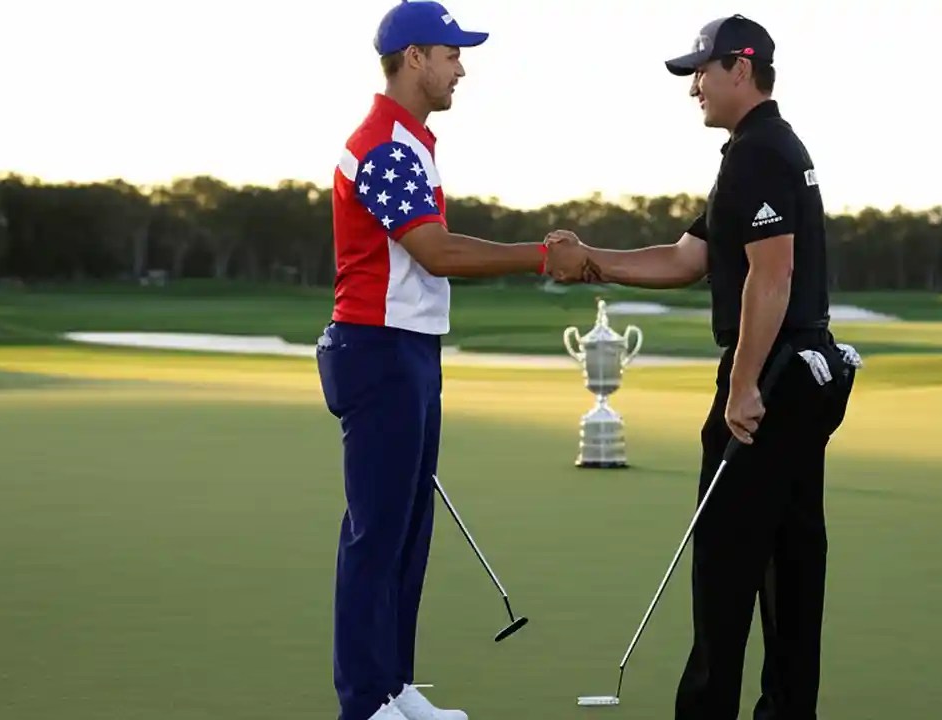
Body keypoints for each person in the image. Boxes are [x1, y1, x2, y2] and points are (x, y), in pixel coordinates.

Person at [545, 14, 861, 720]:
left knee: (727, 564)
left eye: (702, 71)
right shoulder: (756, 152)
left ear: (740, 69)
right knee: (789, 556)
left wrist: (744, 384)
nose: (694, 87)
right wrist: (590, 260)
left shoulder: (759, 153)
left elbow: (771, 275)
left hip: (775, 376)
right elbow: (687, 259)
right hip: (800, 374)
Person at [317, 3, 555, 719]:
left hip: (409, 347)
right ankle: (364, 702)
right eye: (452, 52)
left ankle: (394, 686)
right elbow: (436, 250)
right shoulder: (384, 145)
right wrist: (541, 255)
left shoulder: (413, 141)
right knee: (377, 535)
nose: (461, 66)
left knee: (408, 535)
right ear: (414, 57)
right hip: (379, 347)